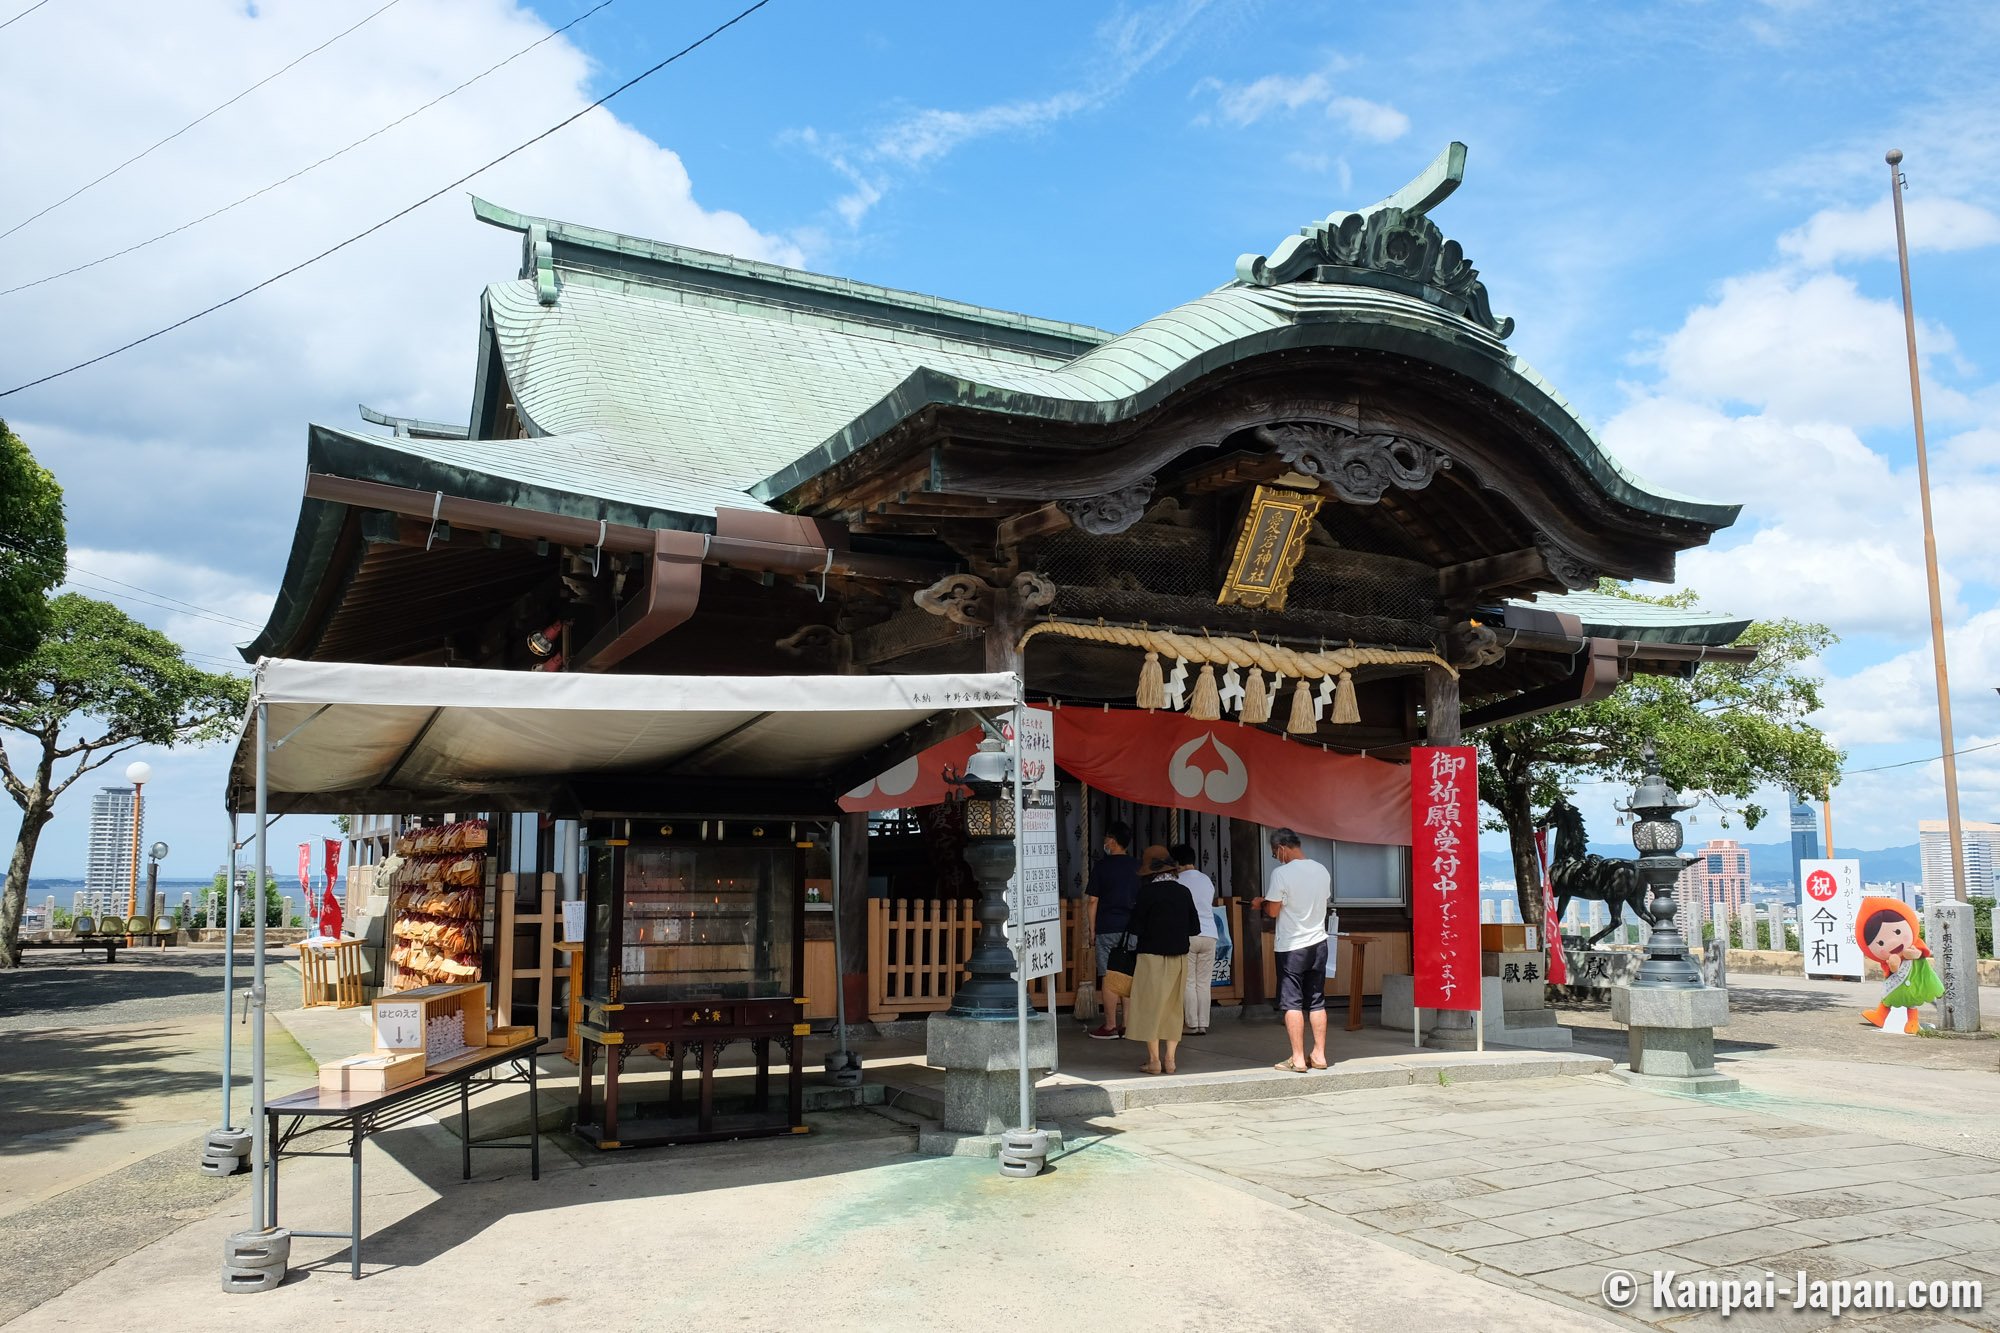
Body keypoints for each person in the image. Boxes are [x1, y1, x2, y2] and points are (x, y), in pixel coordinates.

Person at [1252, 827, 1332, 1072]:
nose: (1276, 857)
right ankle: (1319, 1055)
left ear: (1282, 849)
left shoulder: (1281, 873)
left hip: (1292, 946)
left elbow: (1274, 910)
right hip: (1319, 942)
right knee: (1317, 1000)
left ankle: (1297, 1058)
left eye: (1275, 853)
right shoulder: (1322, 870)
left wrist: (1261, 904)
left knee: (1292, 1003)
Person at [1125, 845, 1201, 1074]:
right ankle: (1171, 1060)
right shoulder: (1183, 892)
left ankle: (1154, 1060)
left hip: (1151, 957)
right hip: (1179, 956)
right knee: (1173, 1007)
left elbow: (1135, 927)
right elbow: (1195, 927)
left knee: (1150, 1006)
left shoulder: (1146, 894)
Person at [1084, 820, 1139, 1039]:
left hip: (1107, 926)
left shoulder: (1102, 866)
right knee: (1127, 974)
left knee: (1108, 976)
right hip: (1131, 928)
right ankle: (1128, 1024)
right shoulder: (1137, 866)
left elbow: (1093, 901)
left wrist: (1091, 929)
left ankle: (1109, 1026)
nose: (1105, 841)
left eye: (1107, 837)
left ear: (1113, 842)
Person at [1170, 842, 1219, 1035]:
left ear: (1177, 862)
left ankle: (1191, 1024)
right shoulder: (1206, 880)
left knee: (1188, 981)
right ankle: (1203, 1023)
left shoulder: (1177, 881)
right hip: (1210, 934)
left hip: (1188, 934)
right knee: (1203, 983)